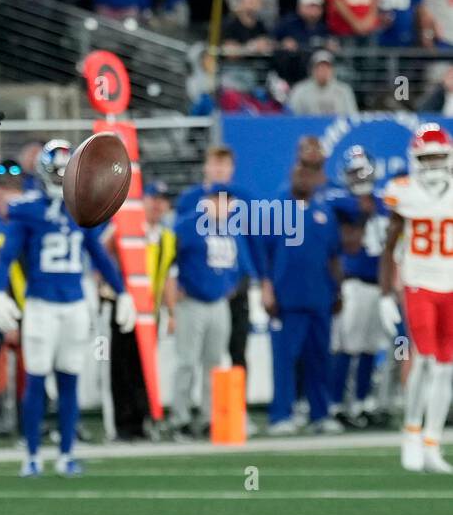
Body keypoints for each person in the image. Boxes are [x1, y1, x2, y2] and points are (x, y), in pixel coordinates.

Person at [0, 140, 135, 476]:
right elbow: (8, 254)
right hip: (41, 304)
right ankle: (32, 455)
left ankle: (67, 453)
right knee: (37, 380)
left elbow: (98, 253)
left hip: (74, 305)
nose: (59, 177)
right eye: (55, 171)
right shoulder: (27, 209)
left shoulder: (80, 208)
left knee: (69, 379)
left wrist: (122, 291)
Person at [380, 124, 453, 472]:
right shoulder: (403, 192)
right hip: (418, 284)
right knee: (423, 360)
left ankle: (432, 441)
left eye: (439, 156)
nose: (434, 163)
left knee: (446, 368)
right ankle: (411, 432)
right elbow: (389, 244)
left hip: (451, 286)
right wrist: (384, 293)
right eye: (427, 157)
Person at [257, 159, 346, 435]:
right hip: (287, 299)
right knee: (285, 358)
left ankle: (320, 413)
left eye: (309, 175)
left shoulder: (325, 212)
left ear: (317, 179)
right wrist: (266, 288)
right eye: (299, 174)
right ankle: (281, 415)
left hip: (320, 296)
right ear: (291, 175)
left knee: (319, 357)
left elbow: (333, 256)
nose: (304, 179)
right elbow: (264, 255)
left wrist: (338, 289)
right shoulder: (275, 210)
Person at [166, 182, 254, 438]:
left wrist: (228, 287)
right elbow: (168, 256)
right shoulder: (188, 224)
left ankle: (208, 416)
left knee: (214, 363)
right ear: (208, 200)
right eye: (219, 200)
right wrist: (173, 291)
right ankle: (179, 418)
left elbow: (241, 267)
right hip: (191, 302)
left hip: (218, 304)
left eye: (227, 201)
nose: (224, 205)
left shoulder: (231, 229)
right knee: (186, 362)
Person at [329, 146, 390, 427]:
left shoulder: (385, 203)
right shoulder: (341, 201)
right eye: (354, 172)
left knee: (369, 348)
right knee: (348, 347)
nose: (360, 177)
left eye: (364, 170)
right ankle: (337, 405)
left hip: (380, 285)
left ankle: (364, 403)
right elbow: (340, 205)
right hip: (353, 284)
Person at [115, 181, 175, 440]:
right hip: (127, 309)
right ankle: (121, 425)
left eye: (162, 199)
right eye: (153, 198)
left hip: (151, 312)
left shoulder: (167, 238)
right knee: (120, 367)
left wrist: (170, 312)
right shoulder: (126, 229)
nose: (157, 204)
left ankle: (143, 422)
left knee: (145, 369)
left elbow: (170, 276)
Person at [287, 49, 359, 115]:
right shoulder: (300, 90)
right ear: (312, 70)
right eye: (319, 67)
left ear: (332, 70)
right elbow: (291, 116)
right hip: (309, 128)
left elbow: (352, 116)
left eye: (326, 67)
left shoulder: (344, 90)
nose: (323, 71)